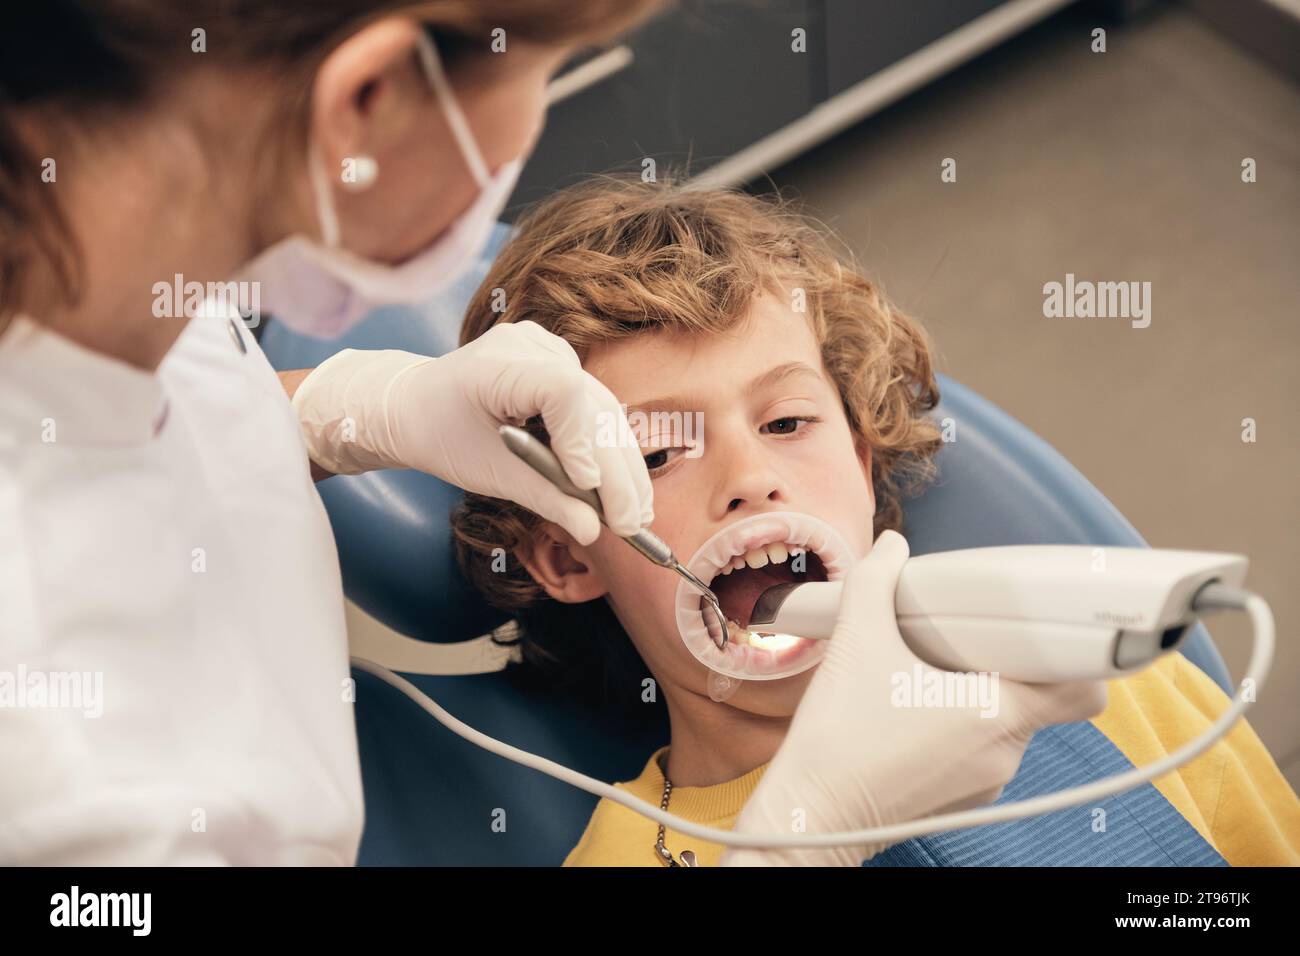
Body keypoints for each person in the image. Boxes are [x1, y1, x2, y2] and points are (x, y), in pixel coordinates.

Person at [449, 175, 1300, 866]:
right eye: (658, 454)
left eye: (786, 424)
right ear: (566, 556)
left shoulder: (1104, 684)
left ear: (862, 467)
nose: (751, 479)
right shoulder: (632, 858)